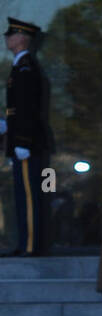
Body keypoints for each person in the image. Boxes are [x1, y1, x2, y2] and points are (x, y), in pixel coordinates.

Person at [3, 17, 51, 256]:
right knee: (23, 197)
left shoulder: (26, 68)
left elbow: (27, 109)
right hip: (20, 141)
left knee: (30, 197)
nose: (7, 38)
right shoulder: (19, 66)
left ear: (22, 38)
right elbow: (16, 110)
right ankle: (25, 243)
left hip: (27, 143)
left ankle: (31, 245)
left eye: (11, 34)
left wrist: (22, 141)